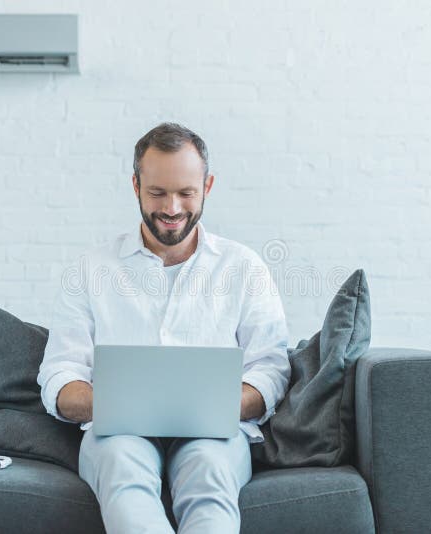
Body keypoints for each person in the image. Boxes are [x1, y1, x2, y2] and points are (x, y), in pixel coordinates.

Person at [37, 122, 290, 534]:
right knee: (122, 470)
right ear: (135, 185)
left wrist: (213, 408)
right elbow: (59, 375)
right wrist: (120, 406)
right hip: (117, 434)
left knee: (209, 473)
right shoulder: (91, 269)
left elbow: (271, 370)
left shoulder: (243, 267)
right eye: (157, 193)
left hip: (215, 435)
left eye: (186, 193)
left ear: (207, 187)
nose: (171, 208)